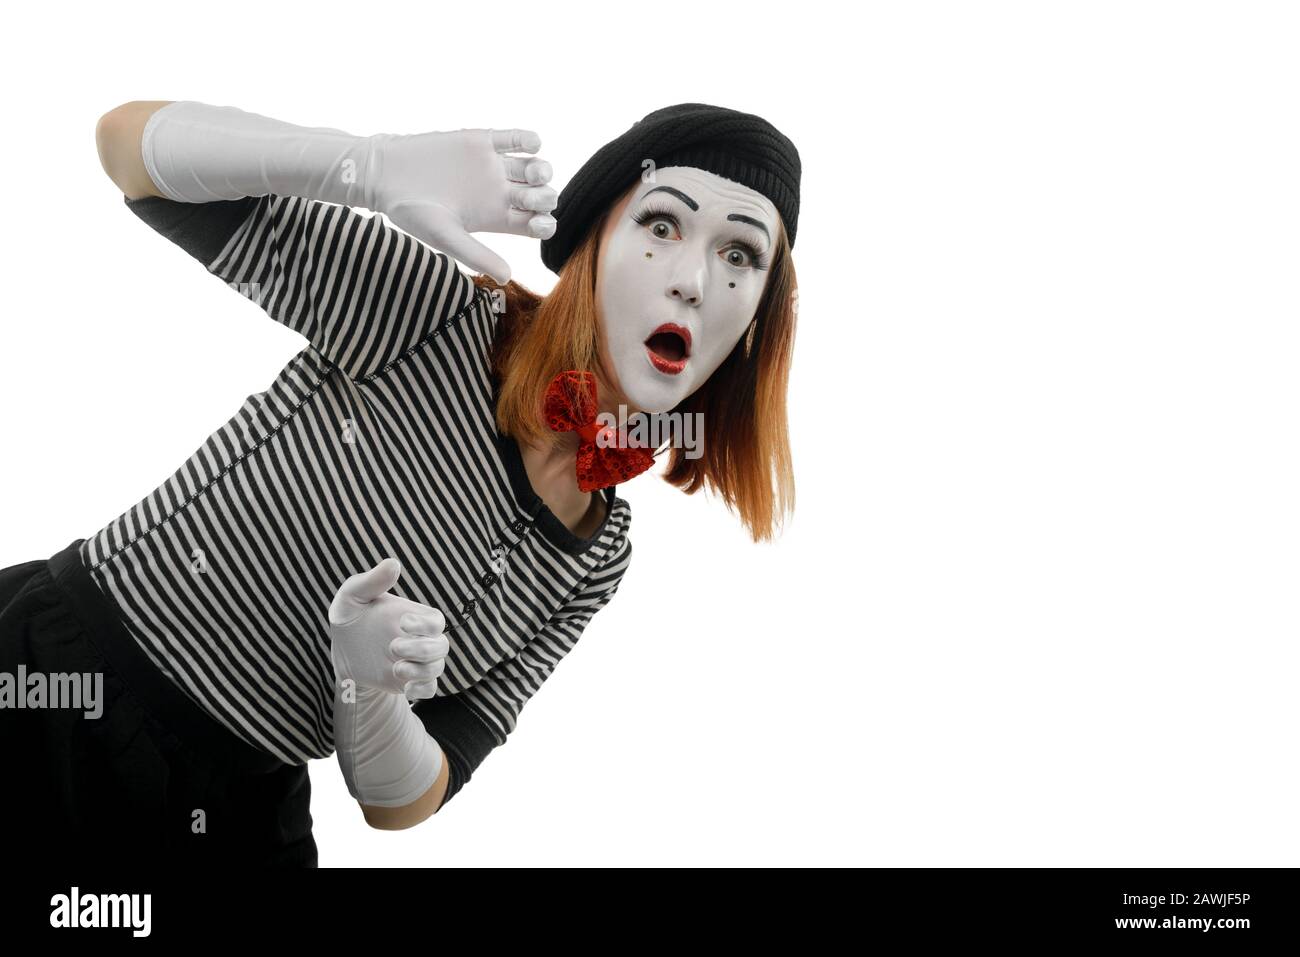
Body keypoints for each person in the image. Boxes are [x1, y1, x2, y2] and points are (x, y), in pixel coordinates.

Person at [0, 99, 800, 866]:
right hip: (59, 690)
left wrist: (370, 693)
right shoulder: (441, 316)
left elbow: (410, 797)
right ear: (592, 242)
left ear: (759, 318)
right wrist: (364, 165)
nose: (694, 279)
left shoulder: (599, 554)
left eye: (740, 254)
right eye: (661, 224)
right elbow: (126, 152)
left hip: (236, 811)